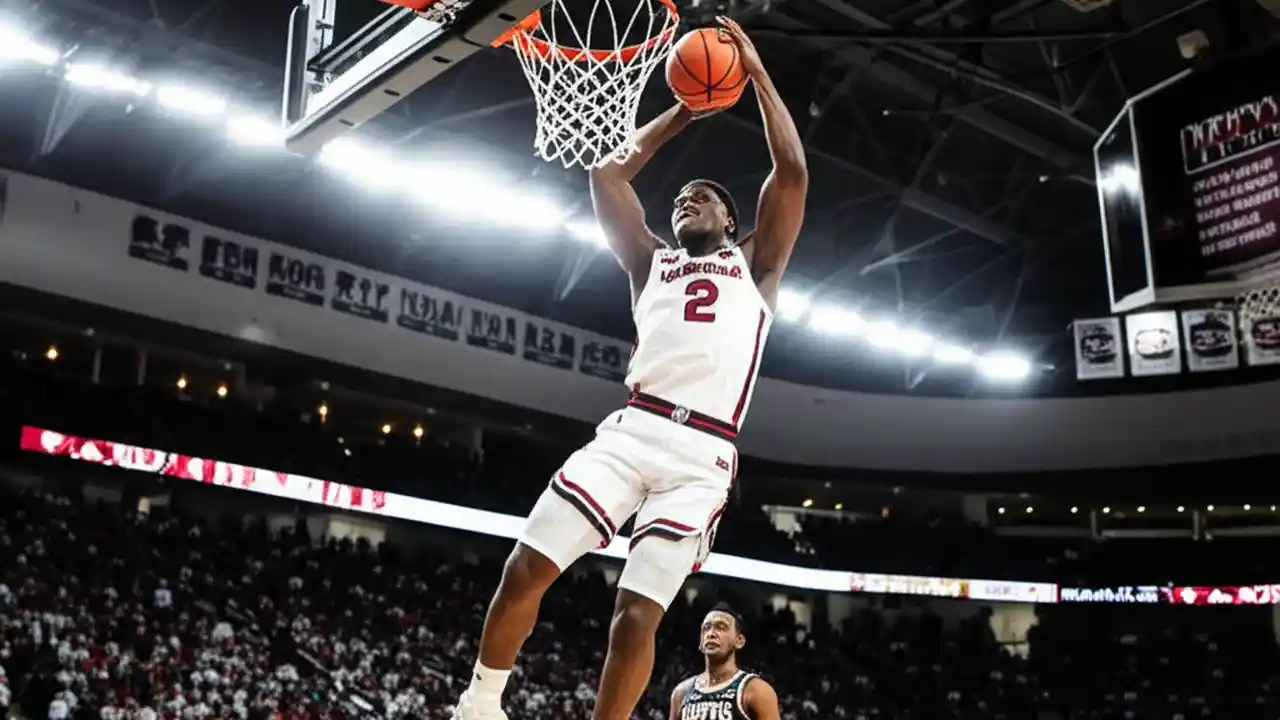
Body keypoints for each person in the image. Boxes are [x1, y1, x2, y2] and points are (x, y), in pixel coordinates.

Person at [452, 16, 806, 720]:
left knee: (632, 617)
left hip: (701, 455)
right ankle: (481, 702)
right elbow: (606, 170)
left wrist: (757, 76)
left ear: (732, 220)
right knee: (526, 566)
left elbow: (790, 173)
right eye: (679, 197)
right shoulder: (650, 262)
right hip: (630, 431)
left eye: (702, 196)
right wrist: (686, 110)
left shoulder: (757, 269)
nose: (685, 199)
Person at [669, 606, 780, 720]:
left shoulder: (756, 690)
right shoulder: (681, 693)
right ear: (701, 642)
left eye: (721, 628)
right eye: (706, 628)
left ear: (739, 641)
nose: (711, 634)